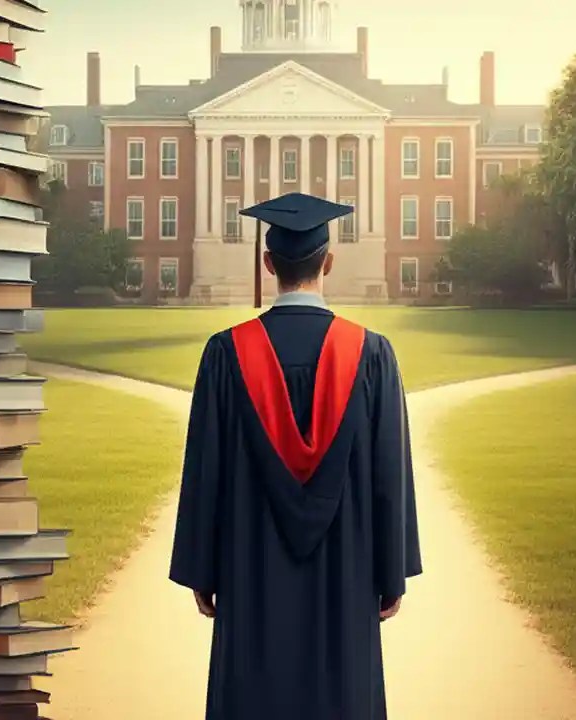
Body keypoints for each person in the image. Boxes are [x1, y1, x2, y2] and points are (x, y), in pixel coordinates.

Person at [169, 192, 422, 720]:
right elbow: (389, 474)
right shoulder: (371, 354)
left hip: (251, 570)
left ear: (268, 264)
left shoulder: (226, 353)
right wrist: (391, 573)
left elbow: (204, 471)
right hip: (345, 573)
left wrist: (202, 569)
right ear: (328, 262)